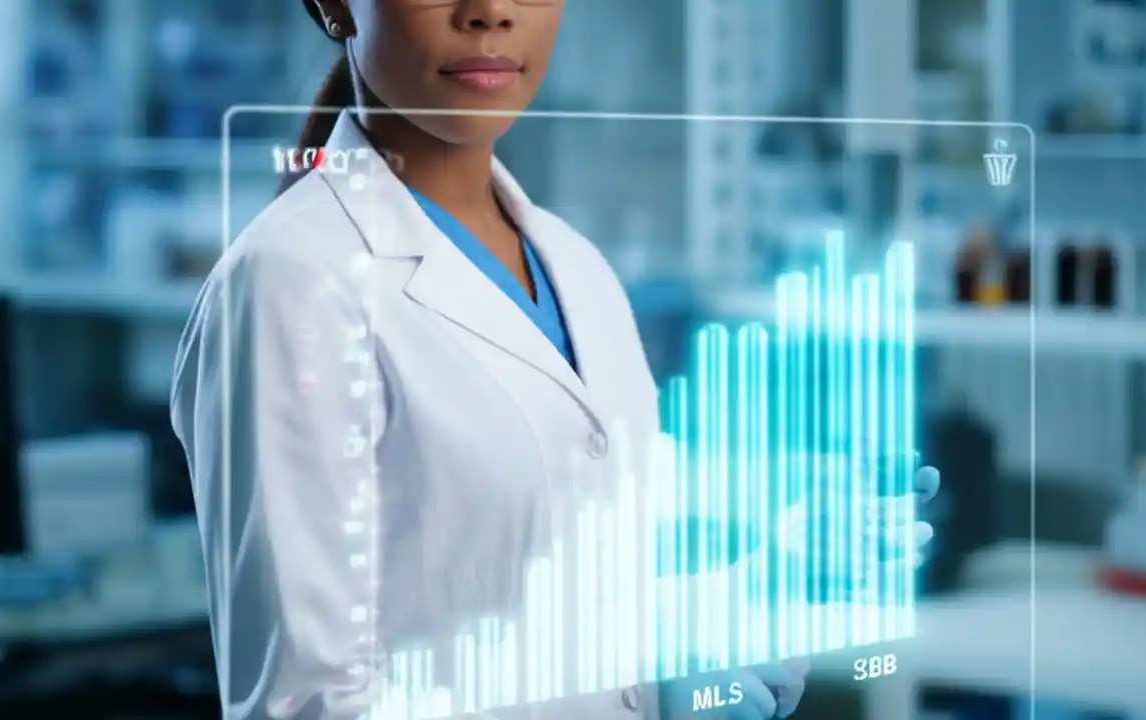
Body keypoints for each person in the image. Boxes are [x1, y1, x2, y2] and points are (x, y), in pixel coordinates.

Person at [169, 1, 939, 718]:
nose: (491, 9)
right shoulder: (291, 284)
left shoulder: (576, 268)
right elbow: (312, 704)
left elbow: (580, 610)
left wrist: (761, 594)